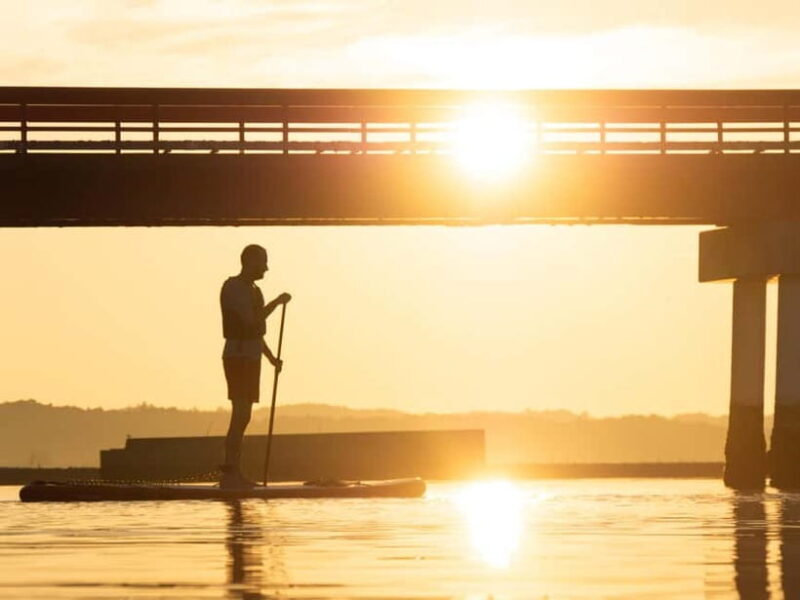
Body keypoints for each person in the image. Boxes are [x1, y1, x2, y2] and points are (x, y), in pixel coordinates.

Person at [219, 244, 291, 489]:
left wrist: (271, 359)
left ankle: (233, 471)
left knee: (245, 416)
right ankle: (230, 472)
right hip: (238, 357)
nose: (267, 268)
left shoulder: (254, 291)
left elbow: (257, 333)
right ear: (249, 262)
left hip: (251, 358)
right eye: (263, 263)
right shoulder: (233, 288)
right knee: (240, 414)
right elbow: (252, 321)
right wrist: (277, 303)